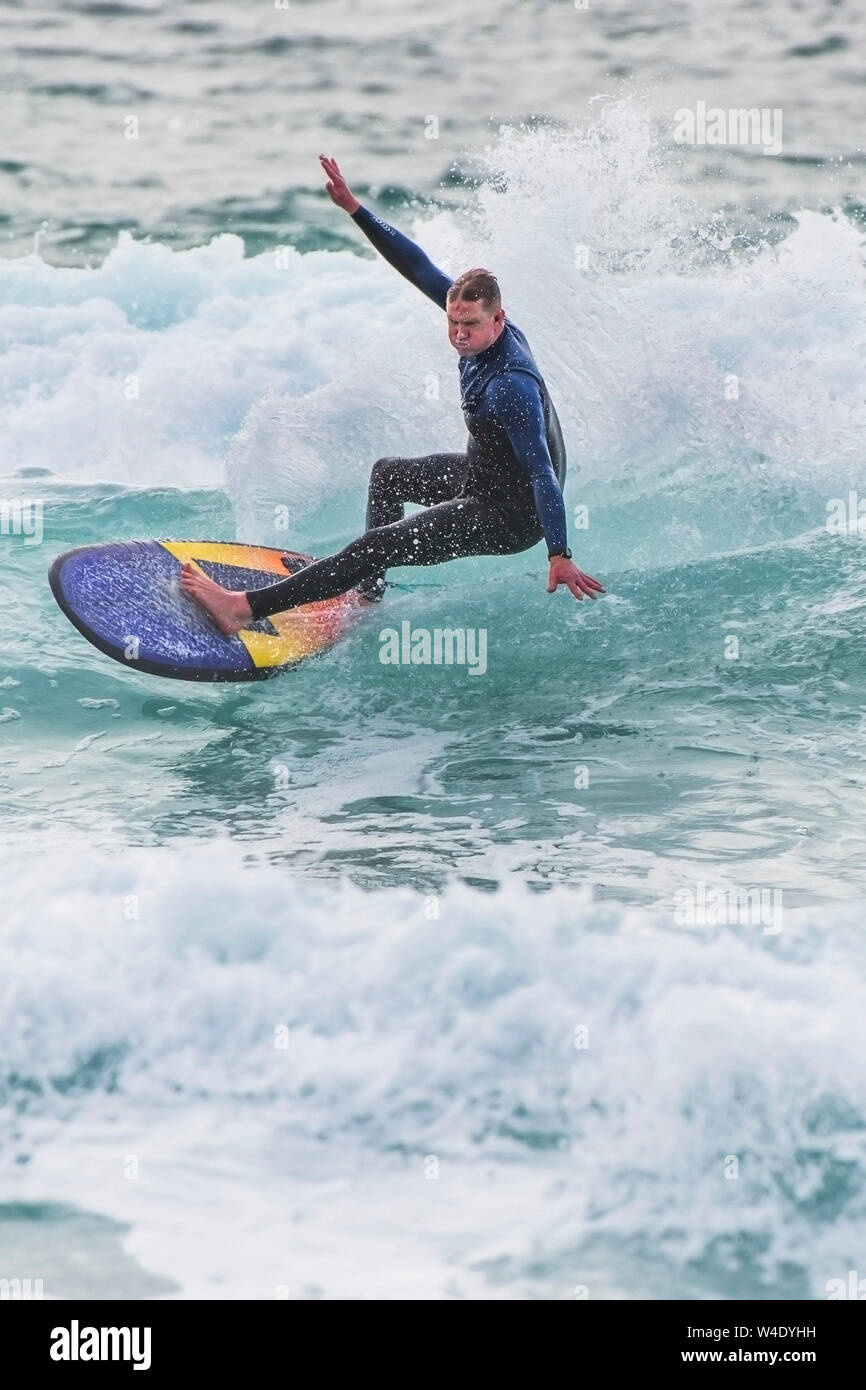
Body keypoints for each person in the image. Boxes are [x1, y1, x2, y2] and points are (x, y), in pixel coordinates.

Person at [180, 154, 604, 634]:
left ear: (497, 319)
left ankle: (242, 610)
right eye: (453, 321)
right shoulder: (480, 320)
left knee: (372, 546)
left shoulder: (512, 386)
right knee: (389, 477)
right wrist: (355, 209)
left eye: (470, 325)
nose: (460, 334)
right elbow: (417, 266)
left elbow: (543, 475)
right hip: (484, 475)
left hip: (508, 515)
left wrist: (559, 553)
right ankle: (367, 595)